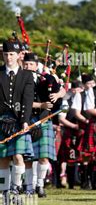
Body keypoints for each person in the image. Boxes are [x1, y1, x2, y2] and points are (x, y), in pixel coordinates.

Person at [23, 52, 65, 197]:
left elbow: (62, 88)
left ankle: (40, 185)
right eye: (26, 64)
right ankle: (29, 186)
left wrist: (58, 95)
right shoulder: (18, 80)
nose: (28, 67)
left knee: (44, 156)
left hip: (44, 119)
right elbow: (20, 102)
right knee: (28, 157)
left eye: (31, 64)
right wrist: (40, 104)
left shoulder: (45, 77)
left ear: (36, 65)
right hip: (26, 121)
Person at [0, 39, 34, 205]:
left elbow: (27, 101)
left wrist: (25, 121)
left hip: (19, 121)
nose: (9, 58)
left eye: (12, 54)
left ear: (18, 55)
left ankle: (15, 189)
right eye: (6, 54)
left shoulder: (27, 75)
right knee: (3, 159)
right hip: (1, 121)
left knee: (18, 156)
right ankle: (4, 192)